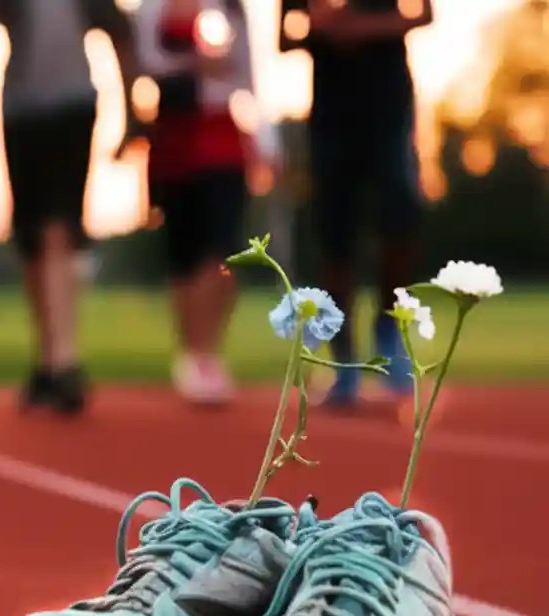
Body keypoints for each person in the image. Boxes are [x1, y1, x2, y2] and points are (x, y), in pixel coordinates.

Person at [0, 0, 138, 416]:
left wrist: (131, 113)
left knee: (59, 230)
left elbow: (120, 36)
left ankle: (64, 363)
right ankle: (48, 357)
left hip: (72, 108)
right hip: (21, 112)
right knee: (33, 239)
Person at [133, 0, 277, 404]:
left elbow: (249, 77)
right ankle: (191, 352)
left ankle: (208, 351)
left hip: (220, 139)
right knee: (183, 252)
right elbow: (146, 63)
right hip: (172, 139)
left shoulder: (230, 10)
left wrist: (268, 142)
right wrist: (193, 63)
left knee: (223, 248)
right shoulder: (152, 10)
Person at [297, 0, 434, 406]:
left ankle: (388, 332)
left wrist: (362, 27)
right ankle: (344, 360)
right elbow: (286, 36)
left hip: (389, 107)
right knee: (335, 233)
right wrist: (321, 28)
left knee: (401, 212)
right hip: (332, 113)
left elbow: (425, 13)